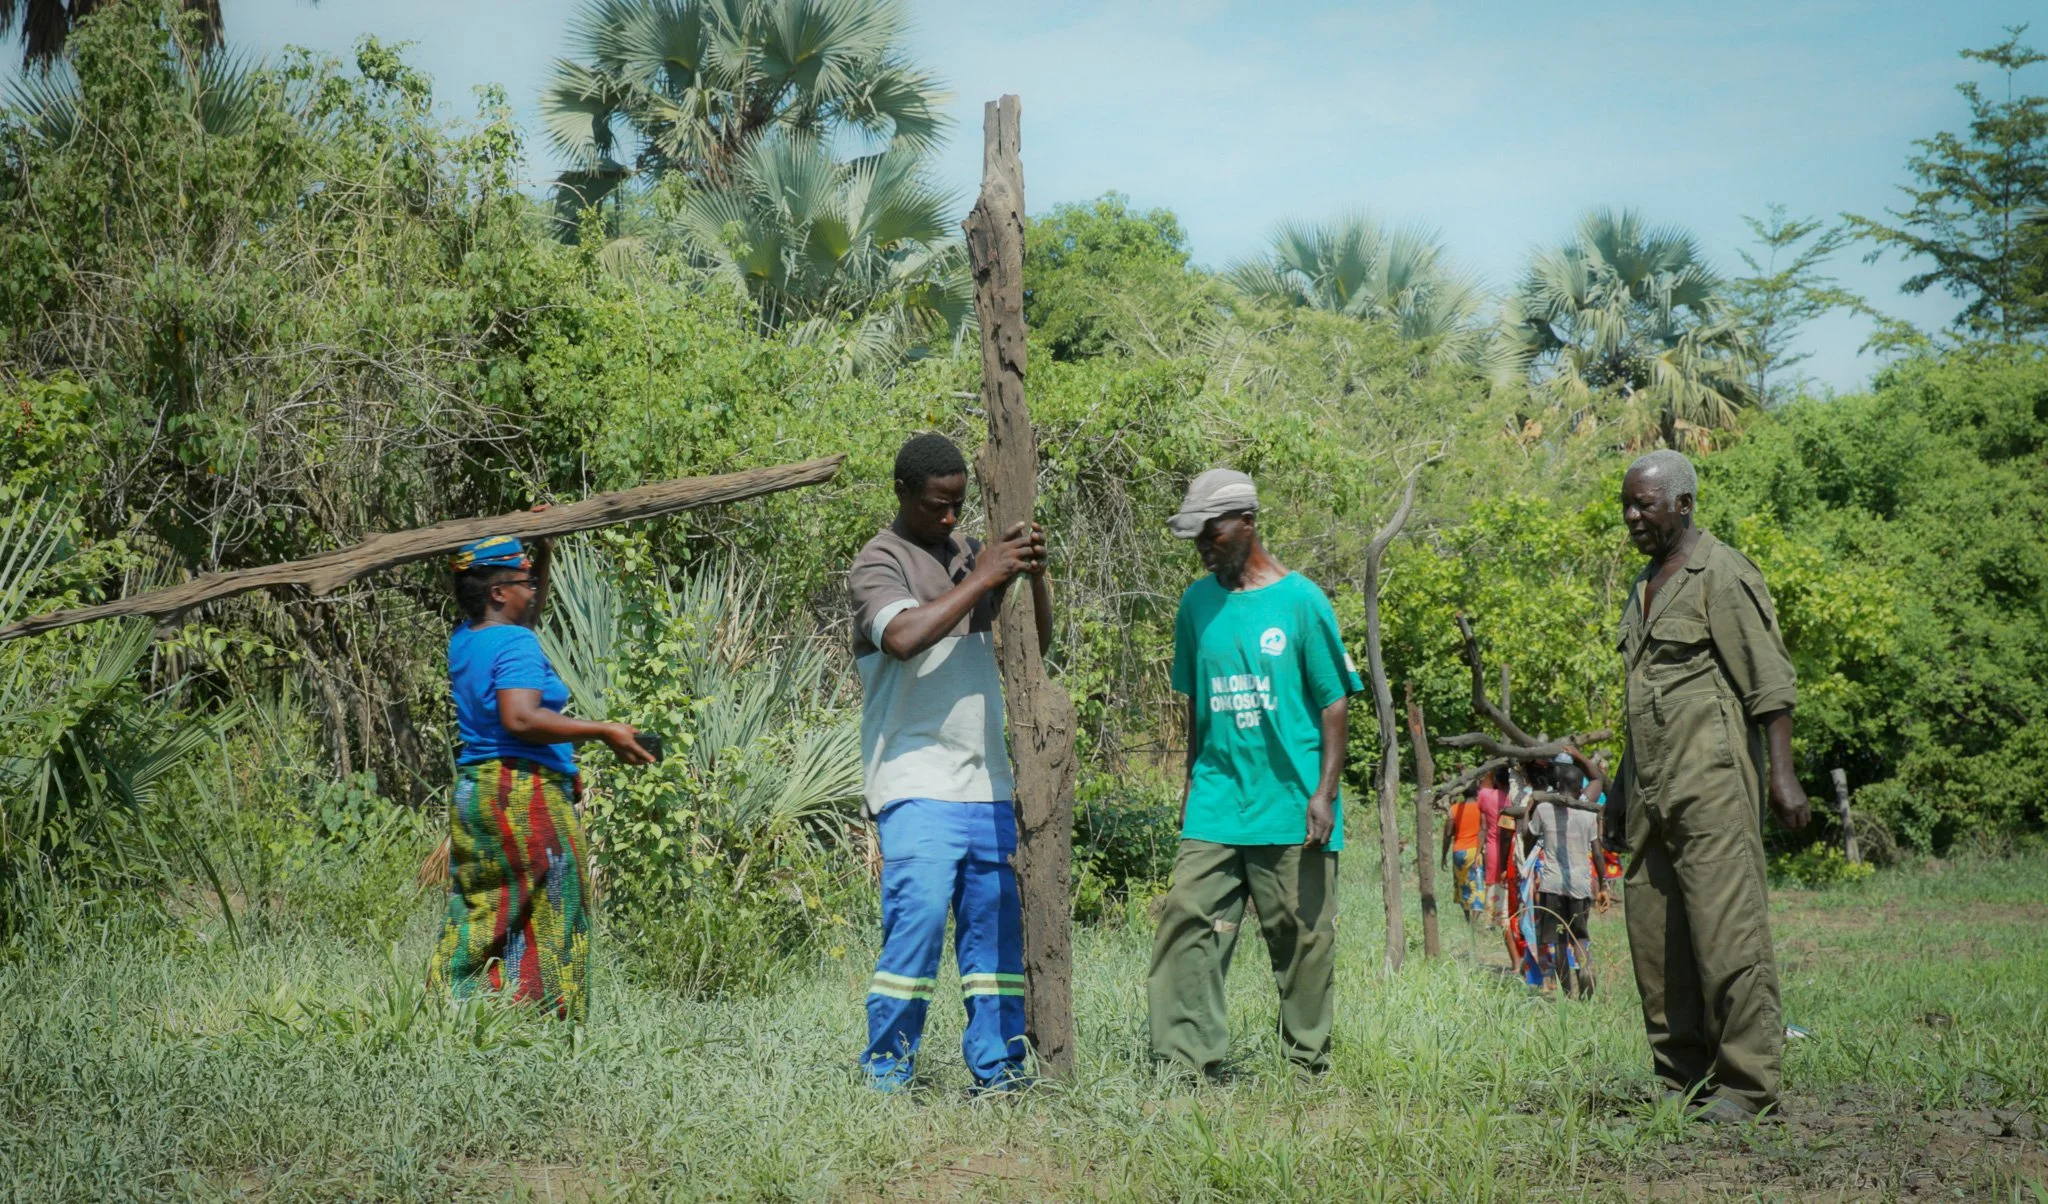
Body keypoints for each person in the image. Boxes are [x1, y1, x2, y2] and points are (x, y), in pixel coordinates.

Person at [848, 433, 1050, 1093]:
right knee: (920, 920)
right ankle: (887, 1072)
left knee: (993, 936)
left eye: (959, 505)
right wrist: (986, 575)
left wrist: (1030, 577)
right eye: (937, 505)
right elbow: (903, 637)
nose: (949, 519)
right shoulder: (879, 562)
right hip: (913, 776)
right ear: (902, 491)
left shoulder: (972, 553)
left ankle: (998, 1071)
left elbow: (1033, 644)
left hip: (986, 780)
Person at [1614, 449, 1810, 1123]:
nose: (1634, 517)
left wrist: (1781, 778)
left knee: (1728, 936)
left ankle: (1748, 1087)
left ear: (1684, 505)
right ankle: (1682, 1077)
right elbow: (1640, 696)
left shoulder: (1719, 574)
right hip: (1649, 789)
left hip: (1713, 783)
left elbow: (1770, 685)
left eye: (1645, 504)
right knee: (1656, 936)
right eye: (1628, 506)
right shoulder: (1645, 583)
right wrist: (1619, 788)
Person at [1147, 468, 1362, 1078]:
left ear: (1246, 523)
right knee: (1188, 925)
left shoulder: (1301, 601)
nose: (1202, 547)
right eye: (1195, 537)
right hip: (1216, 800)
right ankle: (1185, 1066)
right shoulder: (1197, 604)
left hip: (1292, 803)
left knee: (1303, 943)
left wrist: (1324, 794)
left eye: (1210, 533)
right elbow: (1198, 704)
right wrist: (1190, 779)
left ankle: (1304, 1064)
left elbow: (1334, 703)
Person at [429, 530, 654, 1022]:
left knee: (483, 906)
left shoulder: (467, 639)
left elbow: (525, 613)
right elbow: (522, 718)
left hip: (477, 791)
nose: (534, 590)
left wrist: (544, 554)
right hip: (523, 794)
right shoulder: (515, 643)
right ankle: (548, 1027)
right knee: (557, 910)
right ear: (497, 592)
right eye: (524, 582)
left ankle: (449, 1011)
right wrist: (604, 730)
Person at [1523, 748, 1610, 999]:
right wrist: (1603, 884)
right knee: (1580, 936)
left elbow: (1528, 835)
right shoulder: (1587, 813)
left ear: (1558, 783)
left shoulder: (1544, 810)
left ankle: (1567, 993)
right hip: (1581, 885)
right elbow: (1597, 852)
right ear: (1578, 786)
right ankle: (1586, 969)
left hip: (1552, 885)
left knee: (1559, 940)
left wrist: (1530, 808)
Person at [1439, 781, 1485, 923]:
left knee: (1462, 883)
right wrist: (1479, 852)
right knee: (1477, 885)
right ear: (1477, 792)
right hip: (1474, 851)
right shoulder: (1480, 808)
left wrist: (1444, 855)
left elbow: (1448, 835)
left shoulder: (1454, 809)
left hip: (1458, 851)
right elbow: (1483, 829)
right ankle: (1475, 921)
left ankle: (1467, 918)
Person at [1477, 766, 1512, 926]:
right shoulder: (1512, 798)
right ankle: (1507, 917)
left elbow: (1482, 787)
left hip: (1492, 846)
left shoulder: (1486, 796)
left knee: (1492, 882)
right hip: (1510, 845)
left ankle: (1491, 920)